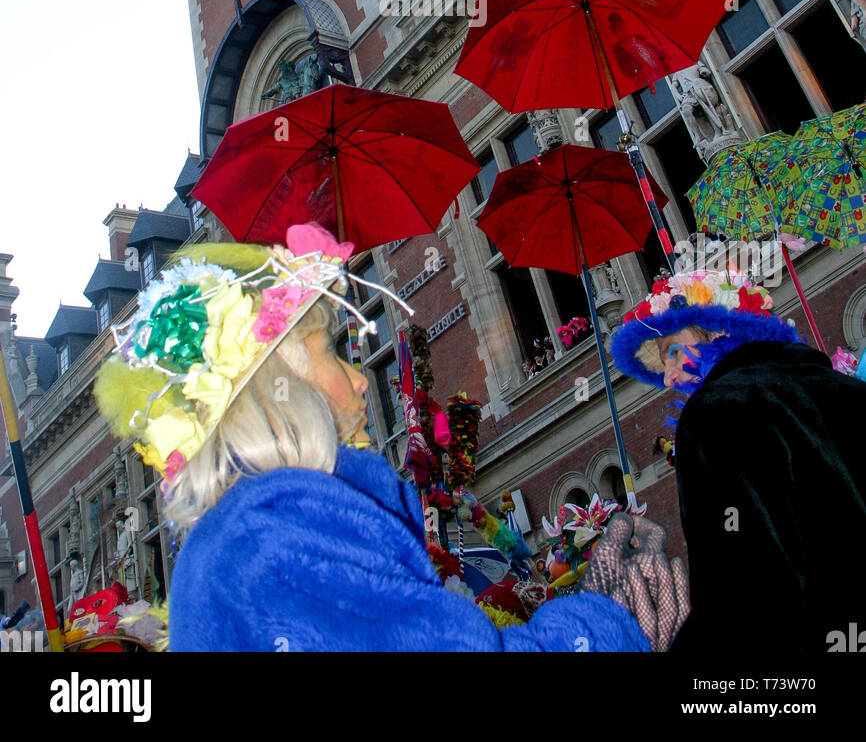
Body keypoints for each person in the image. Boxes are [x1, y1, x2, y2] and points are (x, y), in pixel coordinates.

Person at [96, 222, 681, 653]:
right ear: (275, 389)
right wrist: (607, 622)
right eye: (331, 352)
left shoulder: (244, 539)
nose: (358, 378)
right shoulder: (277, 536)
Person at [611, 267, 866, 653]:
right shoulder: (846, 388)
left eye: (673, 352)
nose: (667, 377)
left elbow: (741, 585)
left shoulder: (715, 412)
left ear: (717, 333)